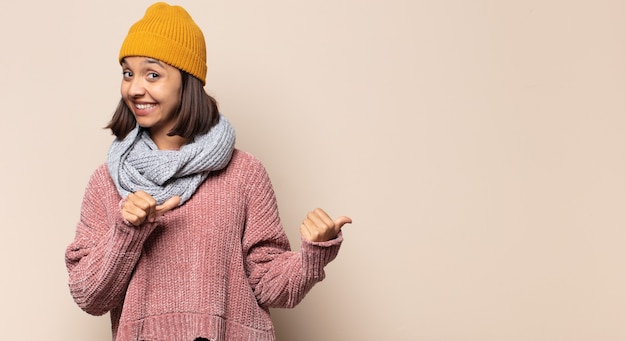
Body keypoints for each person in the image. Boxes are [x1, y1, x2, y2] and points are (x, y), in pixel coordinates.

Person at [64, 3, 352, 341]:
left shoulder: (244, 173)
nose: (134, 88)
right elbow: (89, 296)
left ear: (187, 81)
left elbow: (270, 286)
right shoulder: (107, 182)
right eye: (128, 73)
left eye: (152, 74)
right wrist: (127, 231)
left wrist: (312, 255)